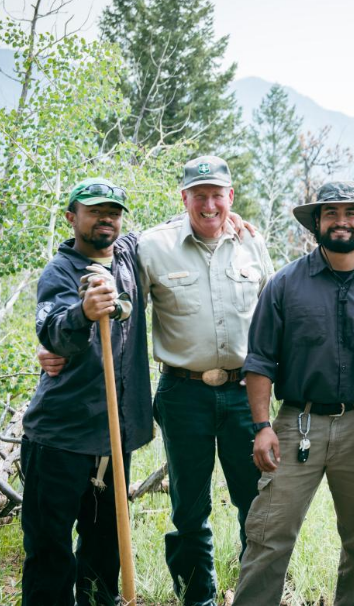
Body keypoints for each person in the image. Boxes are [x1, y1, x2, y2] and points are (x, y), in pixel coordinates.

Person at [38, 156, 272, 606]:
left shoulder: (251, 243)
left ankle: (253, 597)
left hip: (247, 396)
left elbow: (274, 316)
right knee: (189, 510)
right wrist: (52, 338)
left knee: (257, 507)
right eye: (198, 195)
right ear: (183, 198)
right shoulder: (151, 246)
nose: (209, 204)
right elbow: (111, 290)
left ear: (231, 197)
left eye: (217, 195)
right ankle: (196, 598)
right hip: (184, 394)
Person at [232, 182, 354, 606]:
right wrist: (261, 427)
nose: (341, 221)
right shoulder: (284, 284)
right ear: (317, 222)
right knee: (269, 534)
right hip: (296, 424)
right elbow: (259, 361)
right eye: (331, 213)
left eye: (350, 214)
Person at [22, 179, 151, 605]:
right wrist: (82, 313)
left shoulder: (128, 256)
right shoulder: (60, 272)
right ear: (72, 217)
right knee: (50, 551)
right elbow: (53, 329)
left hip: (112, 440)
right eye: (94, 211)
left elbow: (180, 224)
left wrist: (226, 219)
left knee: (103, 551)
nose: (106, 219)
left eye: (113, 211)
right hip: (60, 437)